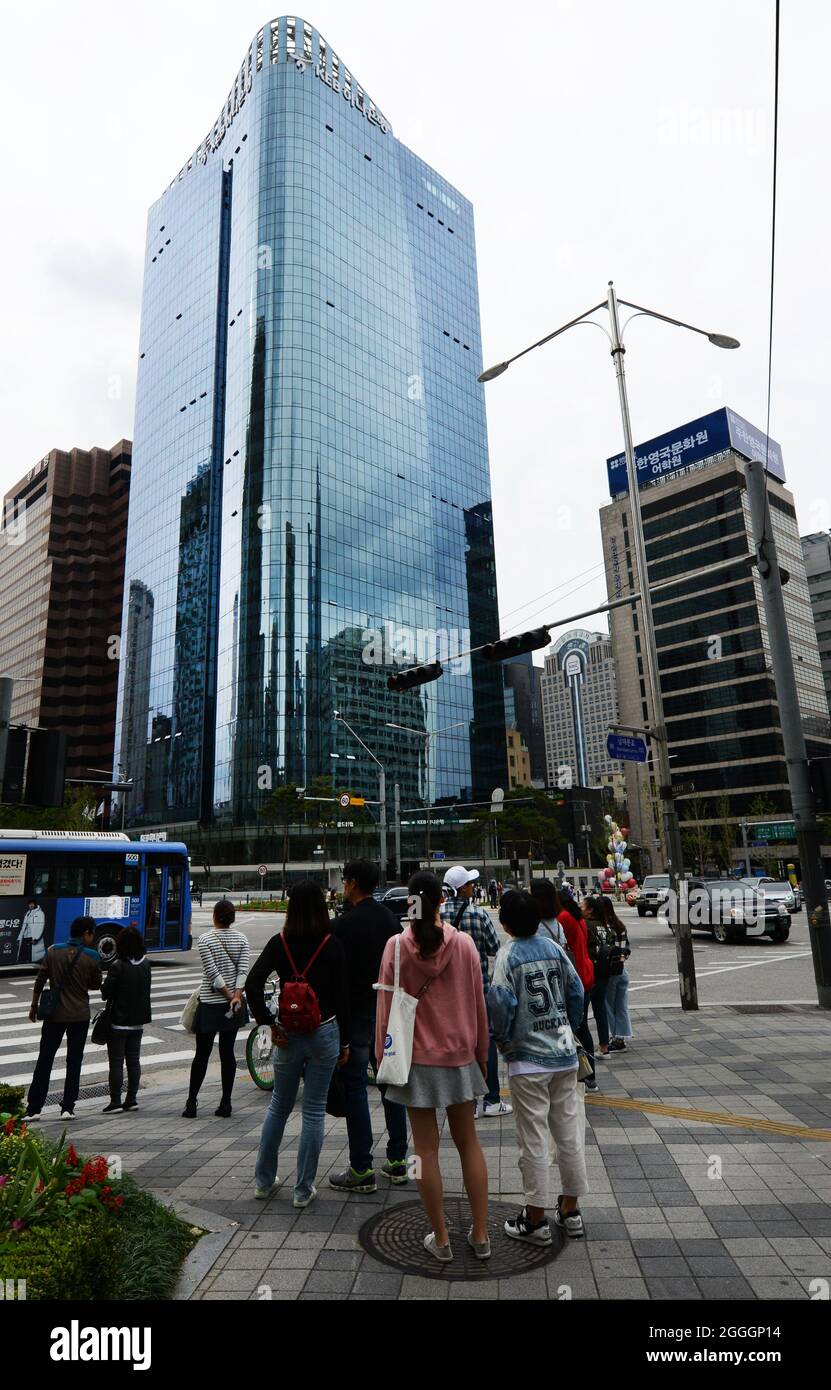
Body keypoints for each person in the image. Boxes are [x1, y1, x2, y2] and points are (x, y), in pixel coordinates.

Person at [376, 871, 491, 1262]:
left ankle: (440, 1238)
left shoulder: (395, 948)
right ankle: (480, 1234)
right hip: (460, 1057)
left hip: (413, 1062)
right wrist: (482, 1057)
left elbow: (385, 1012)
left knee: (422, 1152)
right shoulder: (465, 946)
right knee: (469, 1143)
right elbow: (479, 1007)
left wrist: (381, 1058)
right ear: (441, 900)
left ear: (411, 903)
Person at [489, 890, 588, 1242]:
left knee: (532, 1140)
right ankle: (571, 1209)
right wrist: (569, 1029)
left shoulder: (507, 956)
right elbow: (576, 992)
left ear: (505, 924)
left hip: (527, 1060)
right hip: (564, 1056)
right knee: (568, 1133)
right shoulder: (554, 949)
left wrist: (501, 1039)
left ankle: (534, 1219)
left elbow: (500, 1004)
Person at [246, 881, 349, 1207]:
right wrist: (344, 1042)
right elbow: (342, 998)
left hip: (287, 1035)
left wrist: (267, 1022)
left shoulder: (280, 943)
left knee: (279, 1106)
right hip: (324, 1031)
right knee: (314, 1111)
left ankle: (264, 1182)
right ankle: (303, 1190)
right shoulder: (332, 944)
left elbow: (252, 981)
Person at [329, 858, 409, 1194]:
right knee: (390, 1083)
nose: (343, 885)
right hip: (389, 1013)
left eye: (345, 880)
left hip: (358, 1013)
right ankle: (397, 1160)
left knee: (355, 1086)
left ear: (353, 883)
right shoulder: (391, 920)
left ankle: (361, 1167)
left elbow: (337, 979)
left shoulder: (343, 925)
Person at [441, 864, 511, 1119]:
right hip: (478, 989)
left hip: (448, 995)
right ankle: (491, 1099)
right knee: (486, 1042)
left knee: (459, 1045)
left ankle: (466, 1104)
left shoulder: (437, 916)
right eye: (470, 884)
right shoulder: (479, 915)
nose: (473, 887)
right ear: (463, 889)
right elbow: (495, 948)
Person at [26, 916, 102, 1121]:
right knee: (74, 1060)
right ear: (86, 933)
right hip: (79, 1015)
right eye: (92, 934)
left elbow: (40, 981)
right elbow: (96, 985)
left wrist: (34, 1006)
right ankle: (67, 1107)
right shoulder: (93, 956)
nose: (92, 937)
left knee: (45, 1059)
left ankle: (33, 1108)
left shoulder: (52, 951)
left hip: (54, 1015)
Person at [183, 900, 251, 1118]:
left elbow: (212, 973)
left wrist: (228, 994)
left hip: (211, 1003)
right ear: (232, 918)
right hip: (234, 1005)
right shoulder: (242, 939)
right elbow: (243, 969)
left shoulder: (205, 940)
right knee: (227, 1052)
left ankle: (192, 1102)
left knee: (201, 1054)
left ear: (214, 916)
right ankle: (226, 1103)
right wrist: (236, 995)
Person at [530, 880, 597, 1091]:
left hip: (567, 978)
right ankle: (588, 1074)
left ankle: (583, 1073)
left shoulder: (561, 919)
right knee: (580, 1028)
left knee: (574, 1028)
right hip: (581, 972)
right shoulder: (564, 920)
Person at [101, 925, 152, 1112]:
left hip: (118, 1021)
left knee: (116, 1062)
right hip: (137, 1021)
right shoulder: (146, 964)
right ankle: (131, 1099)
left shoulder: (118, 966)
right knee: (133, 1061)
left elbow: (106, 992)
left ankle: (115, 1101)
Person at [594, 895, 632, 1052]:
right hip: (621, 969)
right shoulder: (619, 925)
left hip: (609, 971)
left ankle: (614, 1037)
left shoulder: (604, 928)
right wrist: (621, 959)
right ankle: (621, 1037)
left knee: (608, 1005)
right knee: (621, 1005)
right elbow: (625, 950)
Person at [581, 896, 617, 1058]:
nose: (580, 908)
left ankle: (583, 1047)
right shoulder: (604, 926)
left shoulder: (586, 925)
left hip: (590, 971)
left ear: (590, 910)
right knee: (600, 1009)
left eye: (583, 906)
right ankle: (604, 1047)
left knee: (581, 1011)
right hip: (604, 971)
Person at [17, 899, 47, 966]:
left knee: (31, 957)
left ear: (35, 904)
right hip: (25, 937)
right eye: (29, 904)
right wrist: (19, 938)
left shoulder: (40, 913)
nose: (31, 905)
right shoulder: (27, 913)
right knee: (22, 956)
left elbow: (41, 926)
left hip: (32, 937)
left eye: (32, 904)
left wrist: (36, 938)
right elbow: (23, 926)